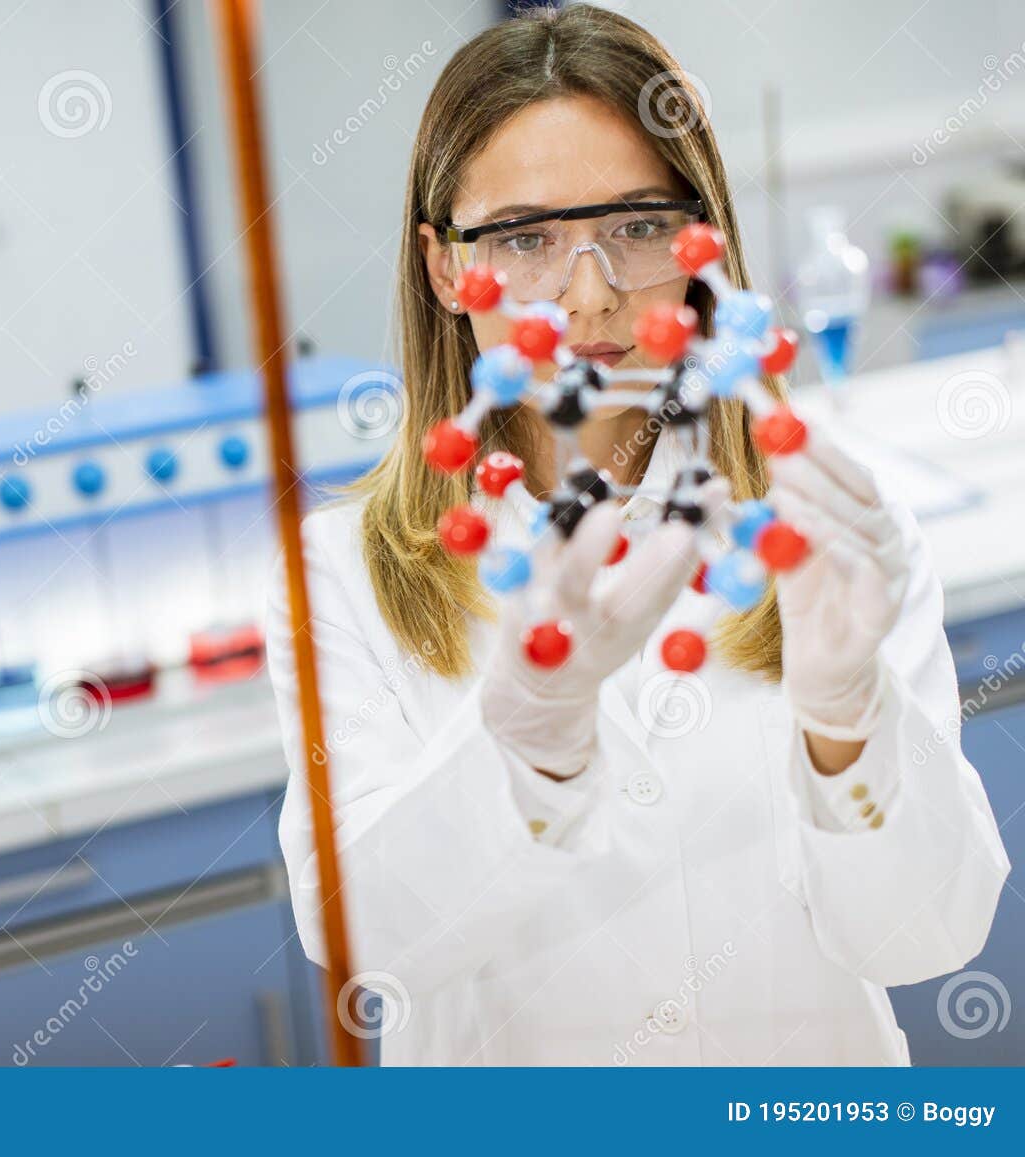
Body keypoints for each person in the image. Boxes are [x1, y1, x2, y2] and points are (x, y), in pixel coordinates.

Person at [268, 3, 1009, 1066]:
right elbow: (370, 949)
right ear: (442, 267)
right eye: (524, 239)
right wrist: (522, 740)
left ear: (701, 239)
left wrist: (850, 724)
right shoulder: (343, 570)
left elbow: (923, 937)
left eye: (636, 226)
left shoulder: (831, 523)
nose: (588, 294)